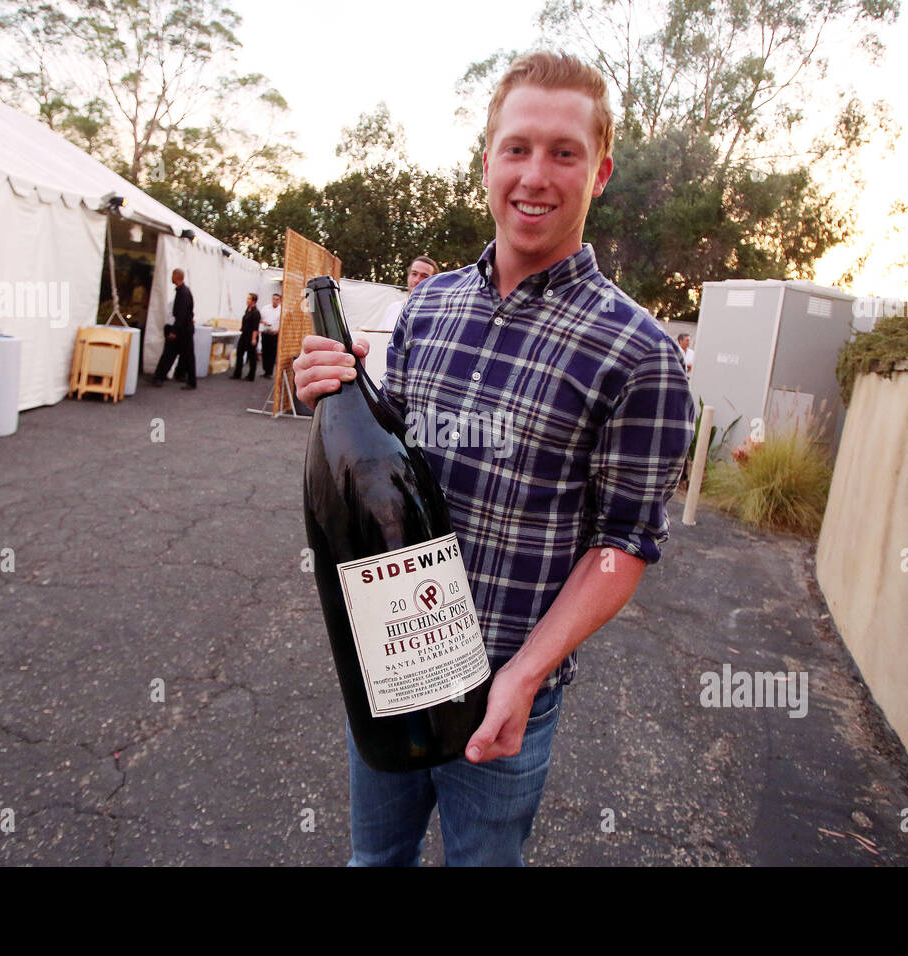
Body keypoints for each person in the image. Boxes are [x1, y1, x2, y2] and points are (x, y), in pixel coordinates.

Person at [293, 51, 695, 867]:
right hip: (391, 666)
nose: (535, 176)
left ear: (601, 171)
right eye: (517, 149)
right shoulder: (430, 305)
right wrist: (331, 391)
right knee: (375, 862)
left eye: (563, 152)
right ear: (487, 161)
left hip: (508, 690)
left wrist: (524, 676)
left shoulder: (641, 354)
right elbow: (382, 463)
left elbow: (624, 546)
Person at [359, 256, 439, 333]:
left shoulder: (436, 315)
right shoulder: (393, 308)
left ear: (433, 282)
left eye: (424, 276)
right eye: (414, 274)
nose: (417, 280)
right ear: (408, 276)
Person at [151, 268, 196, 389]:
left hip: (182, 330)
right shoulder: (183, 291)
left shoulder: (183, 293)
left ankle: (160, 377)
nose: (171, 277)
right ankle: (164, 377)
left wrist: (174, 331)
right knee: (182, 355)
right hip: (184, 329)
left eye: (172, 275)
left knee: (171, 354)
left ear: (177, 277)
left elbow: (181, 314)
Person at [231, 293, 262, 380]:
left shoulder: (256, 313)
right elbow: (246, 321)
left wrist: (253, 339)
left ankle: (251, 376)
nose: (247, 300)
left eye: (249, 299)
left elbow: (255, 327)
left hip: (251, 336)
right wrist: (242, 327)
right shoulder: (247, 310)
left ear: (254, 301)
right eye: (247, 298)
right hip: (244, 335)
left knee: (251, 356)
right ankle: (237, 374)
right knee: (239, 354)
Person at [259, 292, 282, 378]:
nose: (275, 301)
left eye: (277, 299)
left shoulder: (281, 310)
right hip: (265, 332)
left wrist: (278, 331)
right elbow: (259, 317)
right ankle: (265, 370)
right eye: (273, 299)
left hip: (274, 334)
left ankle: (269, 372)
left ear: (280, 301)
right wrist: (262, 321)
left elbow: (283, 323)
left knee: (271, 353)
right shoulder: (266, 308)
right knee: (264, 352)